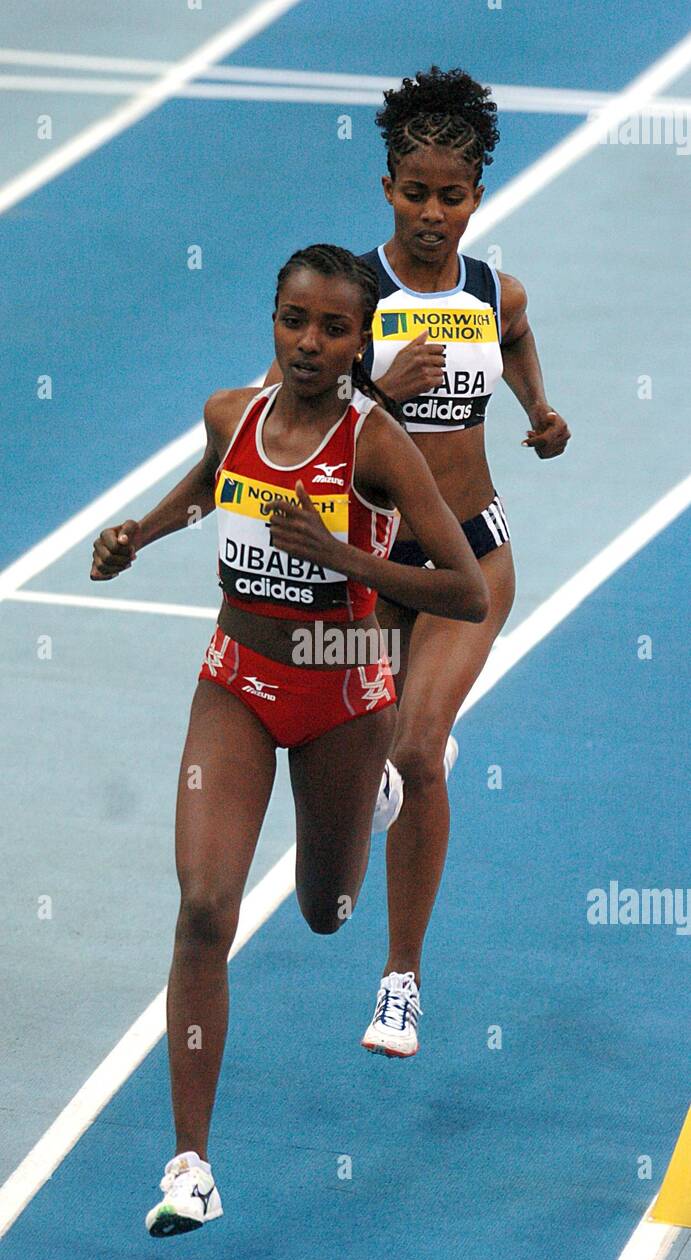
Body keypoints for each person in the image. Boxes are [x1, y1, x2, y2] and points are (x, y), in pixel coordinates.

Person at [90, 243, 488, 1236]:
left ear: (361, 341)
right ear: (271, 320)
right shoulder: (236, 414)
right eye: (292, 320)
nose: (309, 341)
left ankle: (376, 798)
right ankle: (191, 1164)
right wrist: (138, 532)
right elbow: (205, 486)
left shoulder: (376, 445)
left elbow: (466, 589)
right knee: (202, 910)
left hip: (344, 694)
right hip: (237, 679)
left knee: (323, 910)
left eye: (332, 327)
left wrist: (345, 551)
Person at [263, 67, 570, 1059]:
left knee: (413, 745)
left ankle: (401, 980)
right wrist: (373, 389)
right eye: (414, 193)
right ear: (386, 187)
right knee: (360, 760)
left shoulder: (493, 291)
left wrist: (539, 411)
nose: (432, 214)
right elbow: (280, 415)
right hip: (365, 565)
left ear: (477, 194)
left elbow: (513, 337)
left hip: (466, 553)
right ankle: (399, 767)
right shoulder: (347, 299)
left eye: (452, 195)